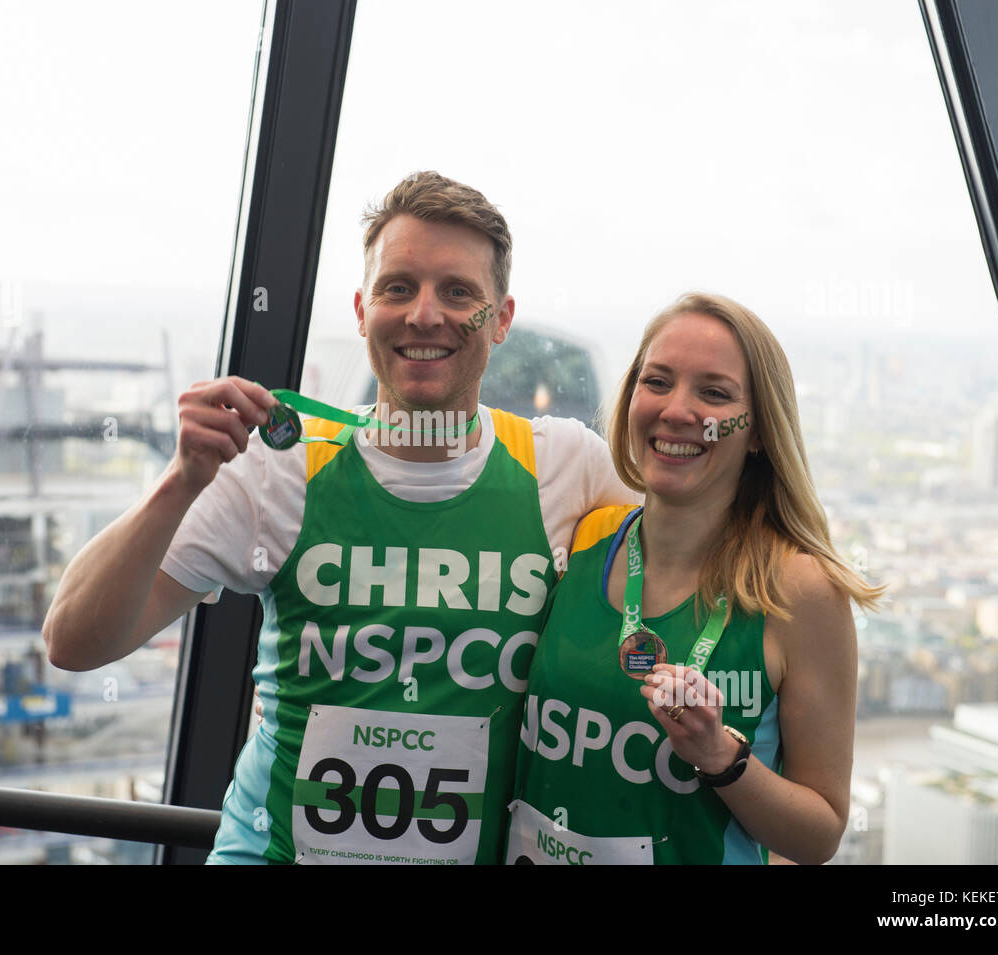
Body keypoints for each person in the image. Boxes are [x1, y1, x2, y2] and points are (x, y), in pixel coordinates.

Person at [42, 171, 638, 864]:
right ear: (361, 310)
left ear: (500, 318)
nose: (423, 315)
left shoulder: (567, 466)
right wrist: (181, 479)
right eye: (398, 287)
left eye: (458, 292)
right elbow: (73, 640)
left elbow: (698, 584)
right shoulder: (279, 468)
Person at [506, 292, 885, 865]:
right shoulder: (582, 540)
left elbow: (820, 834)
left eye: (713, 393)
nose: (677, 411)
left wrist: (722, 758)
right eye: (657, 381)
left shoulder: (800, 591)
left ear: (758, 430)